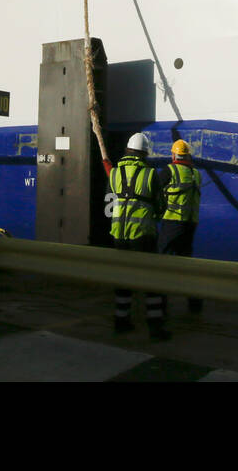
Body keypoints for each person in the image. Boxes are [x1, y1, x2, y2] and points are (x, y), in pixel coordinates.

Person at [103, 132, 170, 339]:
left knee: (123, 279)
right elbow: (161, 206)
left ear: (127, 150)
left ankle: (121, 321)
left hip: (119, 236)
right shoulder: (150, 174)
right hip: (143, 235)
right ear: (145, 153)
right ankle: (155, 328)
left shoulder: (114, 173)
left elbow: (108, 206)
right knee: (152, 281)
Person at [159, 139, 203, 313]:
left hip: (172, 222)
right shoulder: (196, 173)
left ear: (173, 155)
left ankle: (160, 302)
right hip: (190, 224)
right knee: (186, 264)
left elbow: (155, 188)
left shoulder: (170, 170)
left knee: (161, 263)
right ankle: (194, 303)